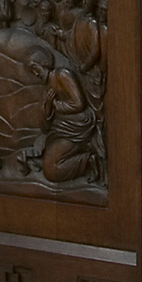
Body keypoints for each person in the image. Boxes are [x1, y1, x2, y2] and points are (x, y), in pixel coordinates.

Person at [25, 48, 104, 185]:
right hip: (61, 130)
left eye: (35, 68)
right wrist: (48, 109)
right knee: (49, 166)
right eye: (32, 71)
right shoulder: (47, 88)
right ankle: (85, 159)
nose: (35, 73)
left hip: (76, 127)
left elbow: (78, 103)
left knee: (51, 169)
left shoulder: (62, 75)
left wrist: (55, 105)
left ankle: (89, 161)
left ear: (44, 63)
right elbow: (44, 126)